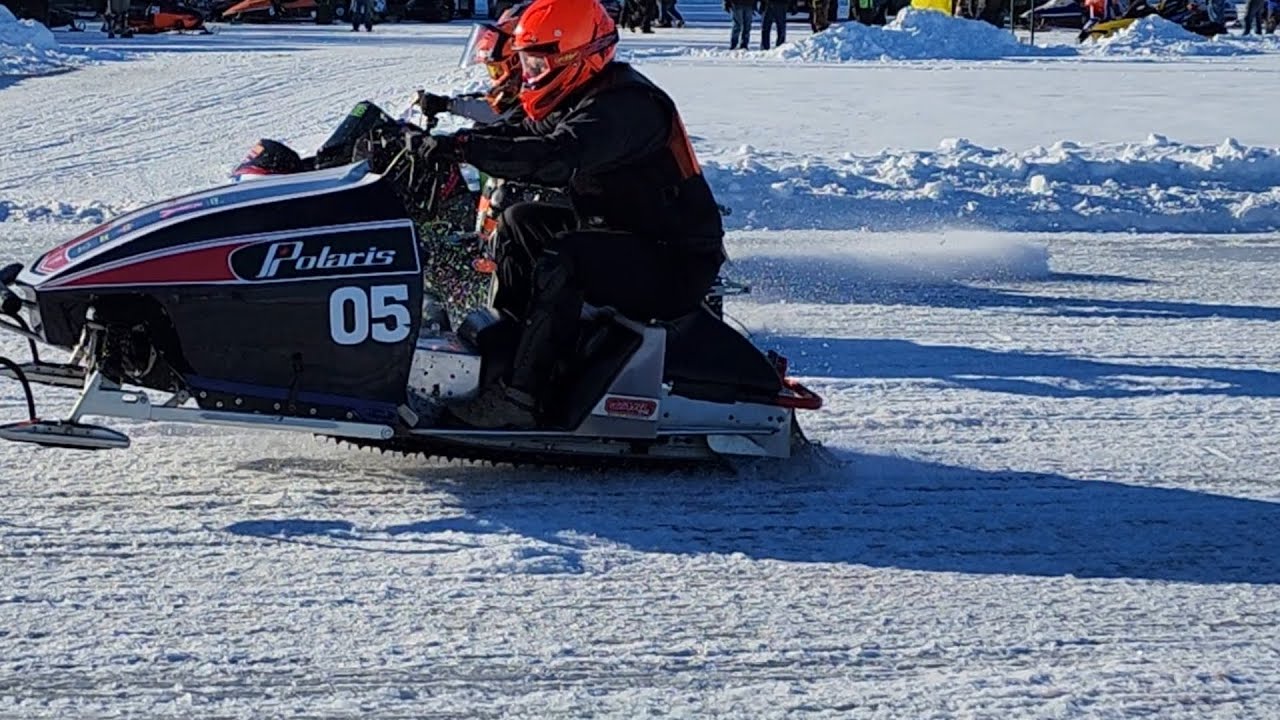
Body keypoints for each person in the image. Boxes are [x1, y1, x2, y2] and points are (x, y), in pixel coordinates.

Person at [416, 0, 726, 429]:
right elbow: (521, 131)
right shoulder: (580, 95)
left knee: (570, 256)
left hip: (675, 260)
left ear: (579, 57)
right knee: (520, 221)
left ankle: (522, 399)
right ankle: (513, 351)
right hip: (629, 233)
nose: (529, 75)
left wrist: (468, 150)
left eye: (539, 65)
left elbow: (559, 156)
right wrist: (454, 141)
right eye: (526, 63)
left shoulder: (626, 107)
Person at [415, 5, 527, 126]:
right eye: (492, 70)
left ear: (516, 62)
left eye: (497, 70)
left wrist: (448, 104)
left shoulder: (529, 95)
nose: (495, 77)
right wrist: (446, 102)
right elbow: (490, 102)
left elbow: (493, 112)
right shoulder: (517, 88)